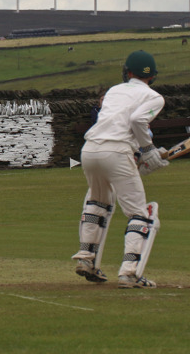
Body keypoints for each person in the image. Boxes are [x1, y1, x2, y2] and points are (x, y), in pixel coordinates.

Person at [72, 50, 168, 288]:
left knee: (97, 203)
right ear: (153, 75)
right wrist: (148, 150)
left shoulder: (114, 90)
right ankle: (129, 273)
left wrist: (138, 154)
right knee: (139, 214)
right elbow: (137, 121)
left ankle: (85, 258)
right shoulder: (154, 97)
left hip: (90, 149)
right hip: (117, 151)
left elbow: (116, 122)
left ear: (127, 72)